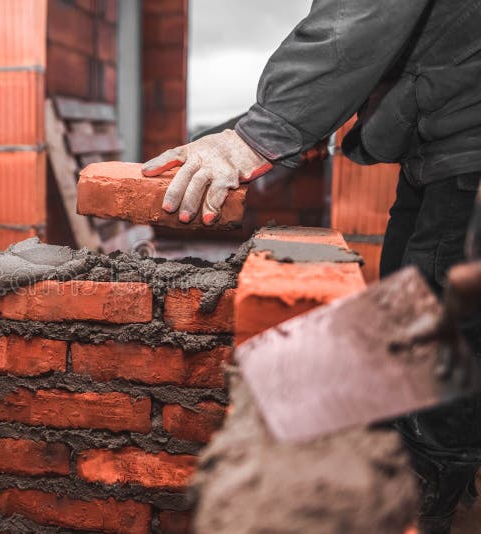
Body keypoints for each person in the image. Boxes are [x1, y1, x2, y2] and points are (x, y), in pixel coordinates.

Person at [141, 1, 481, 532]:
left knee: (441, 352)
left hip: (467, 156)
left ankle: (427, 497)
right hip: (441, 153)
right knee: (411, 323)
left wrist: (257, 136)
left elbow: (357, 20)